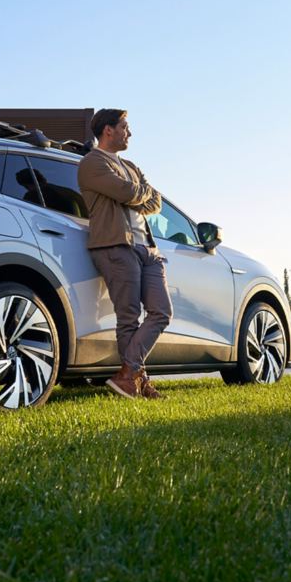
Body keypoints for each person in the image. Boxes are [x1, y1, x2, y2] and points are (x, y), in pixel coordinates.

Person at [78, 108, 172, 400]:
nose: (129, 133)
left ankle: (128, 375)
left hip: (147, 248)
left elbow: (157, 202)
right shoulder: (91, 163)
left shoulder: (130, 164)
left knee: (161, 312)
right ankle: (136, 380)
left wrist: (138, 191)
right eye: (125, 127)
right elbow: (128, 193)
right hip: (116, 246)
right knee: (128, 317)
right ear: (108, 130)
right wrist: (139, 192)